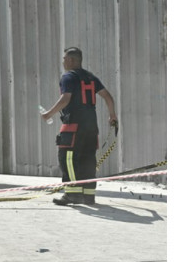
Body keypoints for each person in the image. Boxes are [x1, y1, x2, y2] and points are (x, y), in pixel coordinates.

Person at [39, 47, 118, 206]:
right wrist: (112, 116)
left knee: (67, 158)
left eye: (64, 59)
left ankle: (72, 195)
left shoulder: (68, 77)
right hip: (91, 126)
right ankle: (89, 196)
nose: (63, 62)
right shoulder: (91, 77)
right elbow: (108, 96)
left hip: (74, 125)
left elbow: (65, 99)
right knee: (88, 159)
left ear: (70, 60)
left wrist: (48, 114)